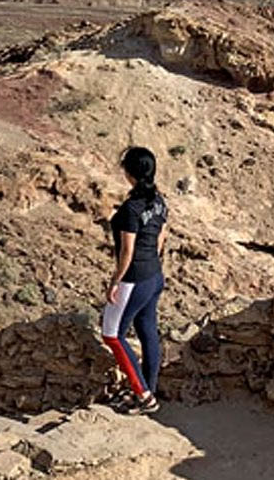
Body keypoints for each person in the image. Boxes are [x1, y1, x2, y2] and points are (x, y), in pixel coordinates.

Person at [101, 145, 167, 414]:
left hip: (134, 279)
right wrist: (153, 260)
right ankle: (148, 387)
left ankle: (143, 396)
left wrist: (115, 281)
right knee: (147, 330)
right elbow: (162, 236)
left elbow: (127, 250)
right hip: (154, 275)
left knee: (112, 334)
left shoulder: (131, 208)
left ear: (129, 173)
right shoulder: (158, 200)